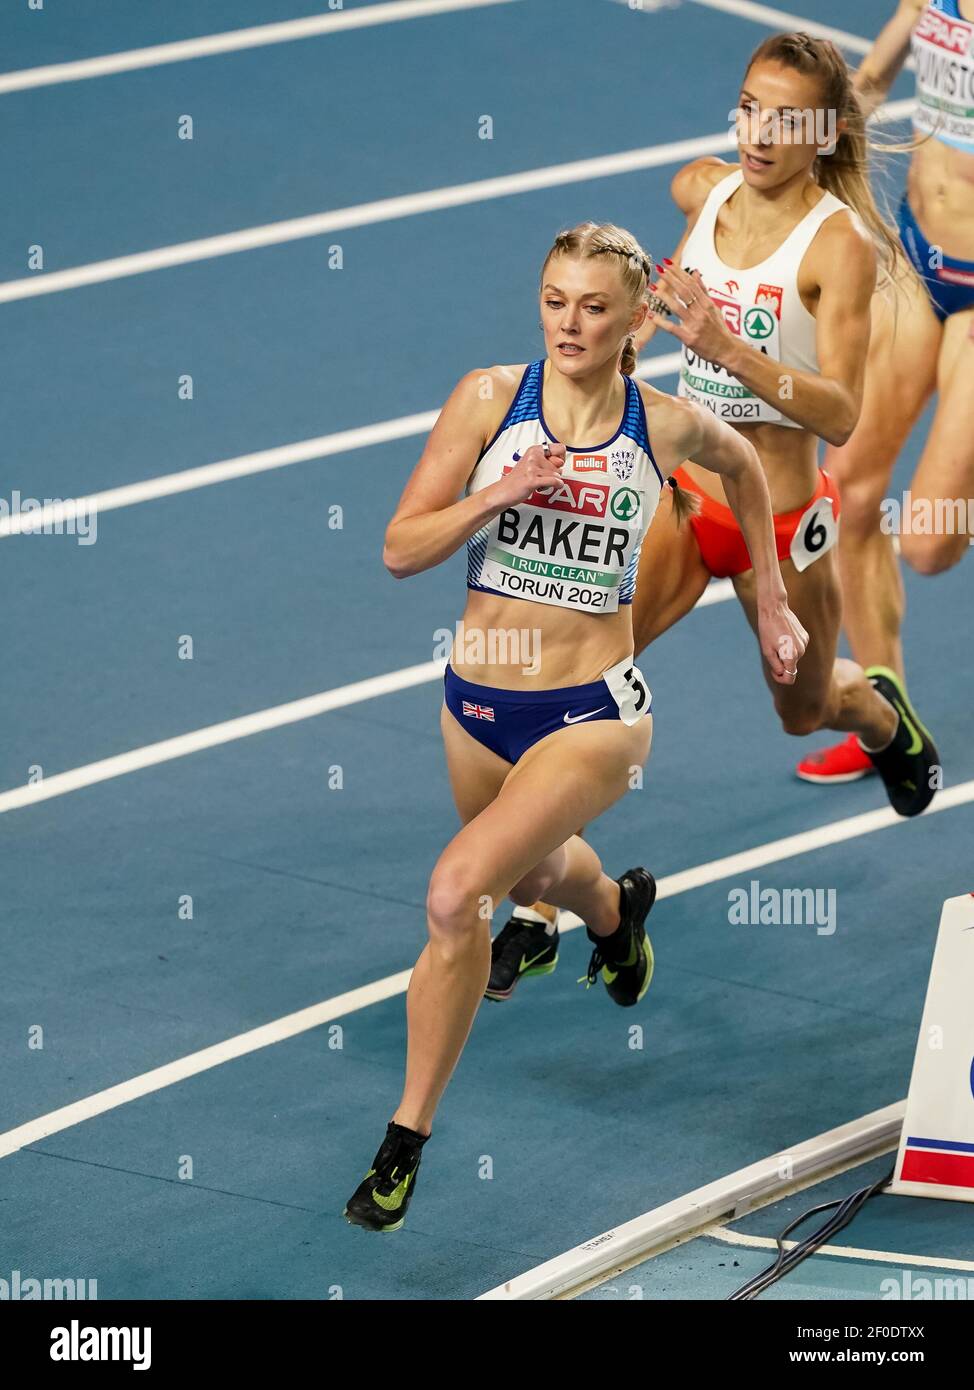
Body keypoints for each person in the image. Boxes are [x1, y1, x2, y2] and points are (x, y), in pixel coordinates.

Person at [344, 220, 805, 1230]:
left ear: (636, 319)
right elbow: (395, 547)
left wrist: (768, 601)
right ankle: (614, 915)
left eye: (592, 306)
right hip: (475, 702)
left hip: (592, 710)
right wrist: (501, 491)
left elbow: (747, 466)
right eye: (554, 299)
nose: (568, 322)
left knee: (455, 891)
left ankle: (402, 1141)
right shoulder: (485, 400)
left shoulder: (661, 424)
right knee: (535, 874)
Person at [489, 31, 940, 1004]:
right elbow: (670, 277)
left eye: (784, 120)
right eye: (747, 108)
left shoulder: (835, 250)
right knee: (578, 675)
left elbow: (841, 412)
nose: (757, 134)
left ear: (821, 134)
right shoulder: (700, 190)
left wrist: (727, 348)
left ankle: (878, 716)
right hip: (683, 496)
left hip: (778, 516)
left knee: (801, 707)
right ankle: (544, 906)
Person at [797, 0, 974, 785]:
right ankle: (888, 719)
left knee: (930, 542)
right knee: (849, 494)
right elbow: (870, 78)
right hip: (916, 257)